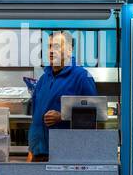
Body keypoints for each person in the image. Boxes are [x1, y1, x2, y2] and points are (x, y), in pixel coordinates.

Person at [26, 31, 97, 163]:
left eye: (57, 46)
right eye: (49, 46)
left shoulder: (82, 77)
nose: (52, 51)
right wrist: (31, 150)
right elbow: (35, 117)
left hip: (65, 155)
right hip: (38, 155)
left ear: (70, 50)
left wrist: (62, 116)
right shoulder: (43, 79)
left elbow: (93, 114)